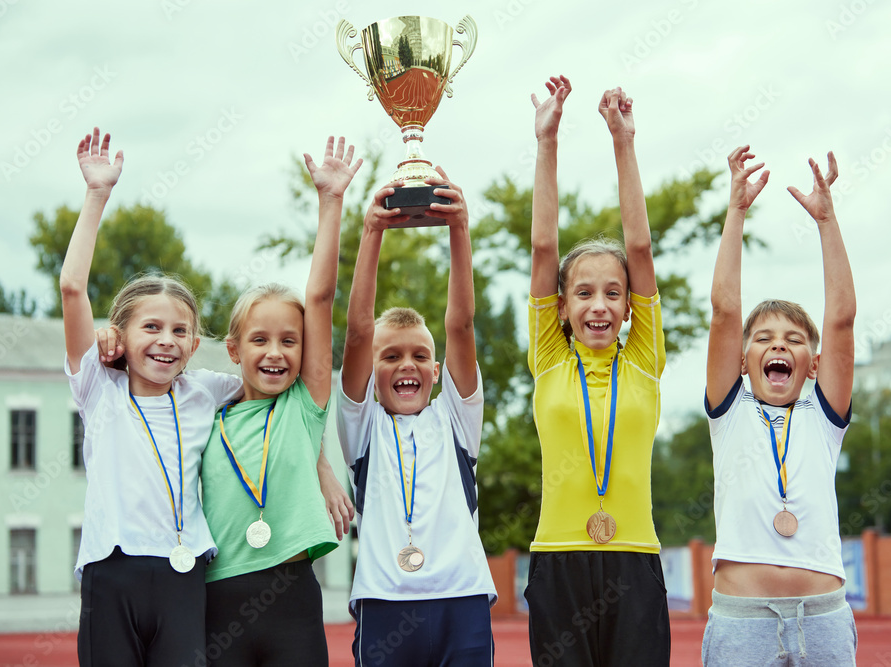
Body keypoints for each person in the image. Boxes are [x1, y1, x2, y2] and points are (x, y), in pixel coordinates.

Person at [62, 128, 243, 666]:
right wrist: (97, 194)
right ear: (121, 331)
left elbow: (281, 375)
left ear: (194, 341)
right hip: (110, 570)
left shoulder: (206, 391)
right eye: (151, 328)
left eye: (180, 331)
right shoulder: (99, 386)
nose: (166, 341)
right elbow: (73, 288)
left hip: (182, 574)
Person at [524, 76, 671, 666]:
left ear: (629, 306)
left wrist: (623, 142)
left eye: (613, 294)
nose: (600, 306)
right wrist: (547, 140)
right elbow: (542, 248)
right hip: (557, 559)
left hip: (635, 557)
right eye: (583, 293)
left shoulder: (644, 359)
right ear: (562, 306)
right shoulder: (549, 357)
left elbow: (640, 250)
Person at [199, 136, 361, 667]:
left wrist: (331, 202)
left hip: (291, 593)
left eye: (289, 341)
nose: (275, 353)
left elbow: (320, 298)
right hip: (217, 596)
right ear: (233, 349)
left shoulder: (304, 404)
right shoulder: (206, 413)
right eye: (260, 340)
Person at [702, 146, 857, 665]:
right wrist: (736, 210)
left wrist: (827, 220)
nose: (777, 347)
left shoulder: (824, 415)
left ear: (812, 363)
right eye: (763, 338)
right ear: (743, 361)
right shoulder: (730, 413)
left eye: (793, 340)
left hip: (824, 618)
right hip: (742, 620)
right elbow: (725, 309)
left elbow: (840, 320)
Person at [337, 170, 497, 667]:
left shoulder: (455, 417)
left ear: (435, 369)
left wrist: (459, 229)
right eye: (391, 358)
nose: (406, 365)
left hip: (462, 599)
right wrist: (372, 232)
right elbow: (360, 330)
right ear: (372, 372)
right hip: (385, 601)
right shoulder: (362, 426)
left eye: (419, 356)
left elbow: (461, 323)